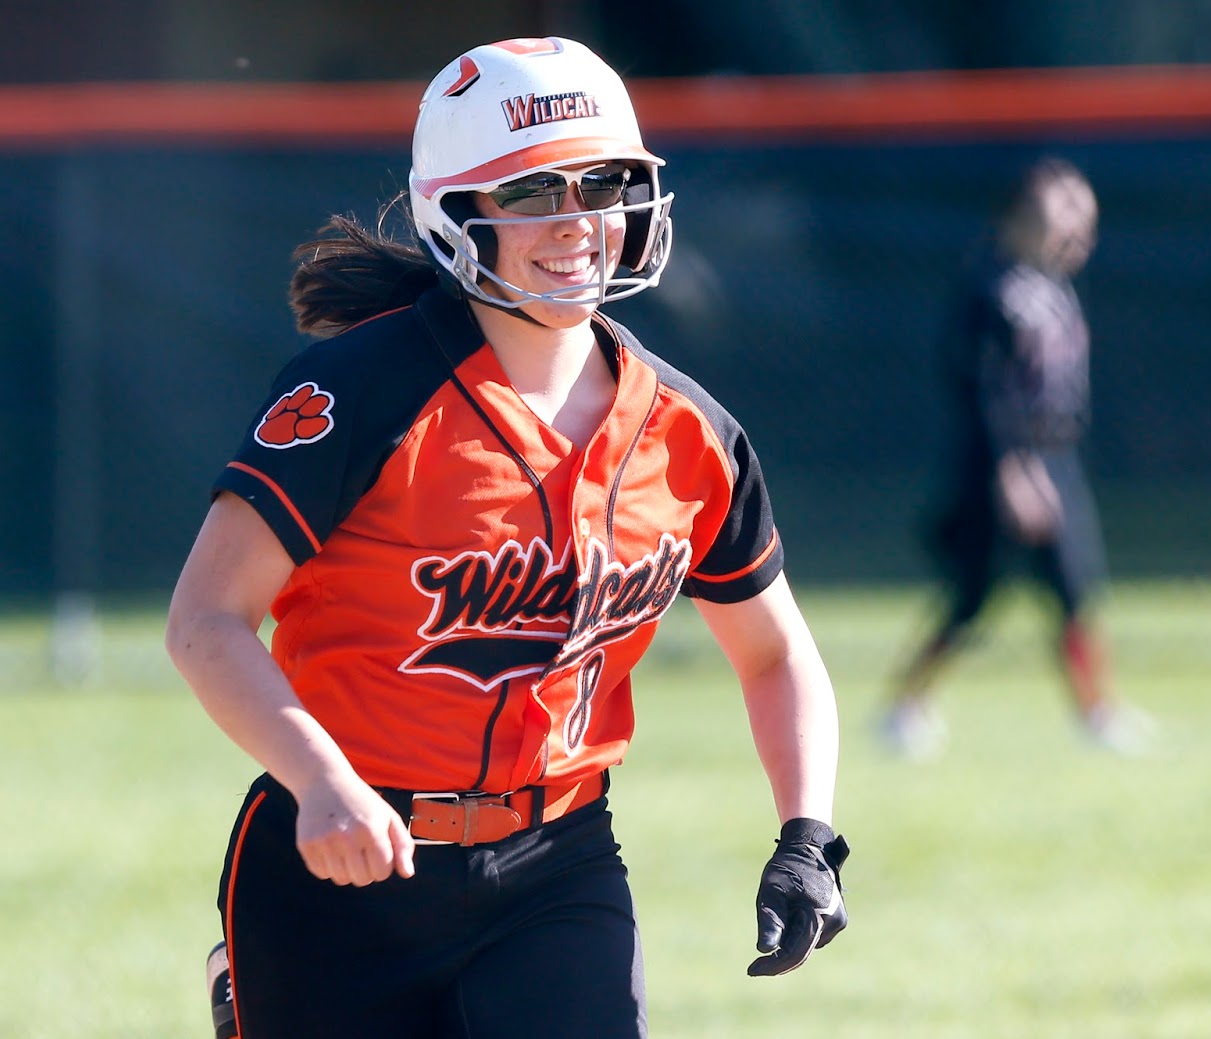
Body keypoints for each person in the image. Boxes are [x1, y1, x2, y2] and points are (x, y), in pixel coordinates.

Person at [165, 36, 850, 1039]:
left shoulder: (689, 432)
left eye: (603, 185)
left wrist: (807, 832)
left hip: (556, 862)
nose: (577, 221)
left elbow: (775, 651)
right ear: (455, 214)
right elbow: (205, 619)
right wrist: (320, 781)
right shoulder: (362, 391)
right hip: (344, 861)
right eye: (532, 192)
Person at [881, 156, 1154, 759]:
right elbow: (981, 388)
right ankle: (905, 705)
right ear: (1016, 218)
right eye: (1061, 214)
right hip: (1000, 464)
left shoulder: (1053, 286)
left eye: (1084, 217)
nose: (1076, 230)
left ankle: (1099, 712)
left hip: (1055, 458)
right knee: (973, 595)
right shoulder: (989, 288)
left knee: (1075, 587)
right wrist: (1013, 469)